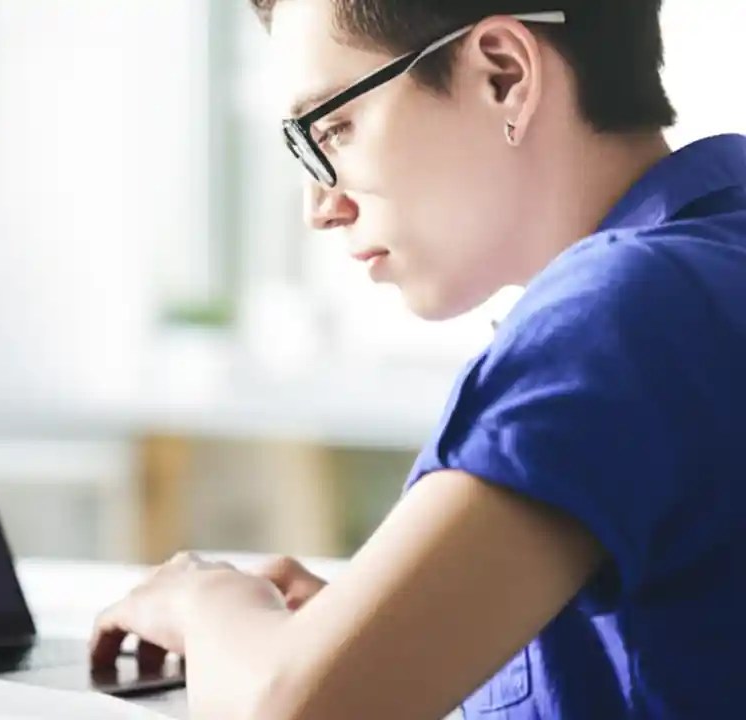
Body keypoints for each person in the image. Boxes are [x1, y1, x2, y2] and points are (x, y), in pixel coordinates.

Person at [89, 1, 746, 717]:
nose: (320, 204)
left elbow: (287, 713)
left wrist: (206, 600)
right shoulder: (714, 259)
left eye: (333, 127)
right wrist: (398, 633)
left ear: (503, 75)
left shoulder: (618, 313)